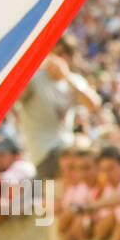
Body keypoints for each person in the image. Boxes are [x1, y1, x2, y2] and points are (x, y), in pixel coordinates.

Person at [14, 39, 102, 180]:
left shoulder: (73, 80)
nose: (56, 58)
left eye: (61, 54)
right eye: (52, 53)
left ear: (69, 57)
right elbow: (15, 94)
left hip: (67, 145)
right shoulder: (34, 79)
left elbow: (94, 104)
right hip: (45, 152)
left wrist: (66, 76)